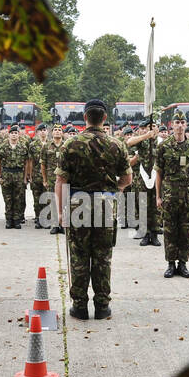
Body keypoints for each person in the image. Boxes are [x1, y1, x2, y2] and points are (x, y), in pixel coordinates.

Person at [55, 98, 130, 319]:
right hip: (105, 205)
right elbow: (127, 178)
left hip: (78, 204)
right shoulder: (117, 145)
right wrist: (112, 190)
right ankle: (102, 306)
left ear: (85, 117)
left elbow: (61, 182)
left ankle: (79, 306)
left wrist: (60, 212)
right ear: (104, 118)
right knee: (103, 256)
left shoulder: (70, 144)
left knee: (79, 256)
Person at [154, 113, 189, 278]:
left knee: (186, 230)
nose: (180, 126)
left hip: (188, 195)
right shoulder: (163, 147)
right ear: (172, 125)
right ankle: (170, 264)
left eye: (182, 122)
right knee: (169, 230)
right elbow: (158, 173)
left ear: (186, 125)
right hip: (169, 195)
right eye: (177, 122)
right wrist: (158, 196)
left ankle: (183, 264)